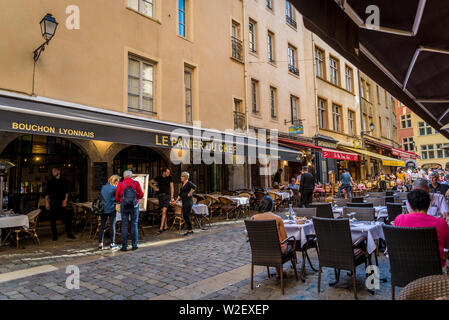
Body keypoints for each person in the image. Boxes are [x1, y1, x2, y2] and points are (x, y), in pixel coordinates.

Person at [394, 190, 449, 270]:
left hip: (405, 269)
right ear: (429, 204)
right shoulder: (440, 223)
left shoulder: (399, 219)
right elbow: (447, 246)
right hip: (434, 271)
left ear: (409, 205)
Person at [250, 196, 291, 279]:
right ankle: (280, 272)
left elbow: (248, 235)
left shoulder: (253, 218)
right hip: (276, 251)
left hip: (261, 251)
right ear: (271, 206)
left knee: (272, 244)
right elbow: (284, 238)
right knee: (287, 244)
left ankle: (278, 272)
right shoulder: (277, 218)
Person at [115, 170, 144, 251]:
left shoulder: (121, 184)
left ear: (124, 176)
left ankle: (124, 246)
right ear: (131, 176)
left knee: (124, 225)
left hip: (124, 206)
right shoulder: (136, 183)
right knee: (134, 224)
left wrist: (121, 199)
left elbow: (116, 197)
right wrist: (136, 198)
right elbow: (141, 195)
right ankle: (134, 245)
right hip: (134, 206)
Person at [45, 167, 75, 241]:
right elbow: (47, 193)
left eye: (54, 170)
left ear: (59, 171)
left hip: (62, 201)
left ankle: (69, 233)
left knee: (67, 217)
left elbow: (67, 191)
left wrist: (65, 200)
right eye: (52, 171)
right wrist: (46, 202)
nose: (53, 172)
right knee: (52, 219)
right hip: (53, 202)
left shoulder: (64, 180)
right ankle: (54, 235)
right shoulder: (50, 181)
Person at [98, 175, 120, 251]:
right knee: (112, 226)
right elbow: (118, 197)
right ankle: (112, 243)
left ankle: (100, 243)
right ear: (115, 181)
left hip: (103, 209)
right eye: (118, 181)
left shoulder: (103, 187)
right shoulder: (114, 188)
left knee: (102, 226)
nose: (118, 183)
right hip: (111, 209)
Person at [150, 168, 174, 234]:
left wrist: (172, 197)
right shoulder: (158, 177)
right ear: (164, 172)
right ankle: (165, 226)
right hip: (160, 196)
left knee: (164, 211)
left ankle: (161, 228)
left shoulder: (170, 178)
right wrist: (155, 188)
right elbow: (150, 182)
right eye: (167, 172)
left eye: (169, 172)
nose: (168, 173)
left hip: (167, 196)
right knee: (163, 212)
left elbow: (172, 187)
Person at [172, 172, 197, 236]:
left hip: (188, 202)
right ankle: (189, 229)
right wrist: (175, 201)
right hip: (184, 201)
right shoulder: (183, 184)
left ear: (185, 177)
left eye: (182, 176)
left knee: (186, 216)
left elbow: (194, 187)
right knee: (185, 216)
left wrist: (190, 193)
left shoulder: (189, 183)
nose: (180, 177)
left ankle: (190, 230)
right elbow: (180, 194)